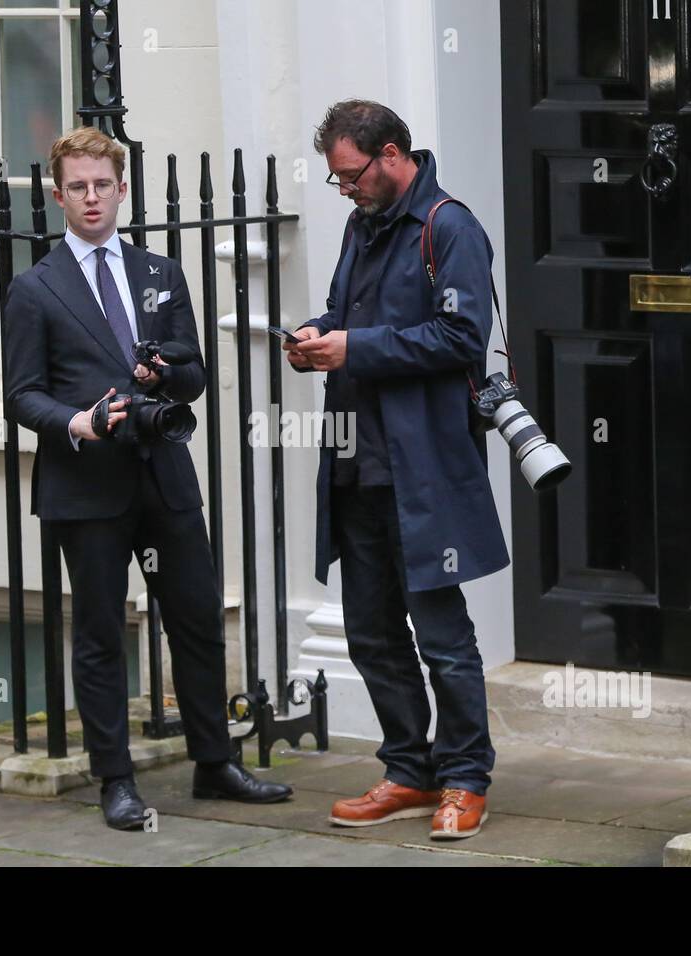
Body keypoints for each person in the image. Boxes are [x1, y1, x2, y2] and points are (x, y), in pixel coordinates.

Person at [3, 126, 291, 830]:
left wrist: (164, 373)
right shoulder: (34, 288)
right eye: (78, 187)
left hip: (164, 474)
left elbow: (192, 375)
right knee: (102, 632)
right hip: (87, 487)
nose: (92, 197)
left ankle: (215, 762)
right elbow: (21, 396)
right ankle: (116, 781)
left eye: (103, 185)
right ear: (57, 194)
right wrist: (80, 423)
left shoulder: (160, 273)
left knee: (196, 620)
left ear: (122, 189)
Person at [284, 100, 509, 840]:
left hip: (423, 469)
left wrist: (357, 348)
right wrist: (319, 334)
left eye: (349, 175)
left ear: (389, 155)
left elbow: (459, 337)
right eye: (335, 180)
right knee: (371, 632)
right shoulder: (361, 224)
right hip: (355, 461)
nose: (343, 189)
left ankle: (466, 779)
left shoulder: (449, 226)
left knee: (442, 636)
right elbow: (344, 311)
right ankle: (409, 770)